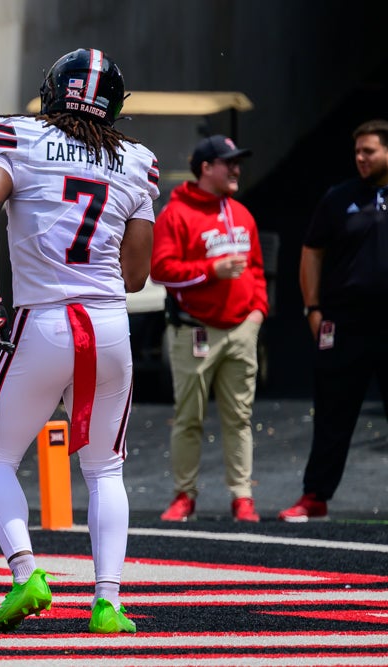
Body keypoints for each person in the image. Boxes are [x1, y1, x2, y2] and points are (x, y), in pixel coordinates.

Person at [0, 48, 158, 634]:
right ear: (113, 104)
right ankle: (107, 604)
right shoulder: (138, 160)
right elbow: (135, 276)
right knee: (105, 470)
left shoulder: (16, 134)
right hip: (108, 326)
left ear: (53, 91)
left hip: (42, 321)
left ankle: (26, 574)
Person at [150, 135, 269, 523]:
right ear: (206, 168)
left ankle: (241, 497)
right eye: (228, 162)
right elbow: (162, 271)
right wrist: (210, 271)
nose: (236, 169)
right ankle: (185, 496)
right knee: (188, 418)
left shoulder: (242, 212)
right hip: (194, 331)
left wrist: (257, 314)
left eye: (237, 162)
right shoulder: (176, 213)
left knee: (240, 418)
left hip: (240, 331)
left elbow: (255, 269)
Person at [278, 119, 388, 522]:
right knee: (332, 415)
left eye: (369, 151)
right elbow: (312, 252)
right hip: (345, 324)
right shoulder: (338, 198)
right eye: (357, 151)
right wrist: (313, 308)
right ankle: (315, 498)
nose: (361, 158)